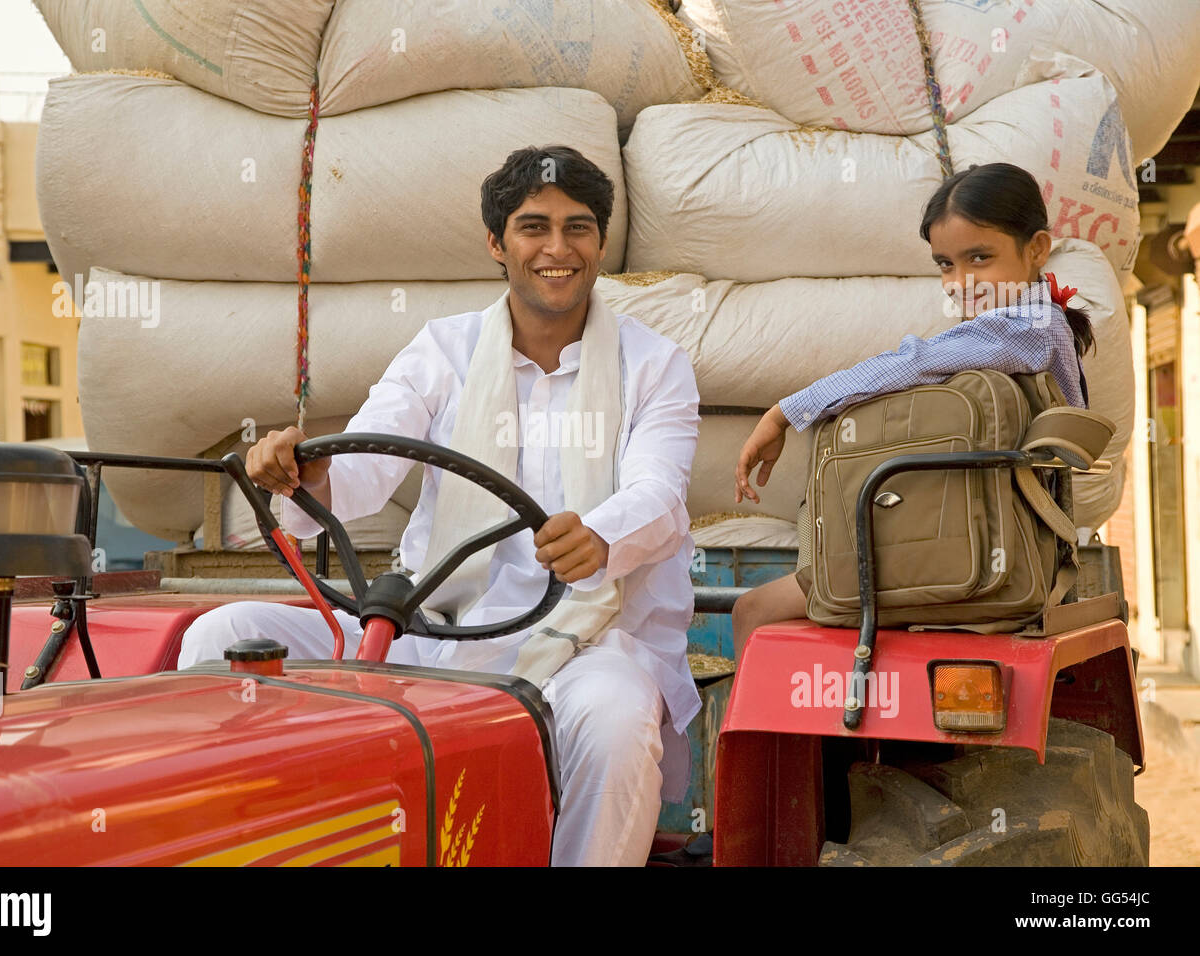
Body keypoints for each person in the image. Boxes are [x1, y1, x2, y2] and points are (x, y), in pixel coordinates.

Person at [178, 145, 703, 867]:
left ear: (602, 243)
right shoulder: (443, 349)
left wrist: (602, 538)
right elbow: (368, 462)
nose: (558, 248)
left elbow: (659, 492)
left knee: (616, 718)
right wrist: (303, 473)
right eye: (533, 227)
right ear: (496, 243)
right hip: (428, 627)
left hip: (582, 637)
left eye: (578, 228)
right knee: (224, 634)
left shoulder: (654, 364)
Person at [729, 162, 1097, 659]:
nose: (960, 281)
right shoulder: (1028, 327)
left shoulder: (1025, 328)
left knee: (750, 611)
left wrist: (786, 412)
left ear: (1036, 248)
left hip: (984, 557)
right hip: (968, 544)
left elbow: (914, 361)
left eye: (979, 258)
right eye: (946, 264)